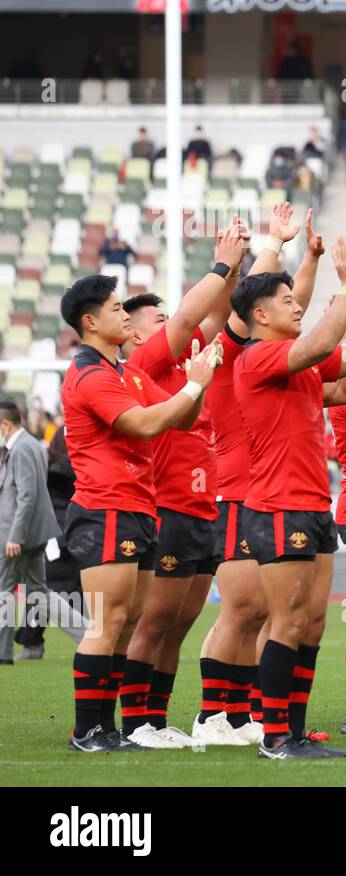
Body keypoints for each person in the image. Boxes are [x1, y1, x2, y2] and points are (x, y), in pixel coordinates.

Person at [230, 238, 346, 759]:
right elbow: (320, 346)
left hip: (313, 505)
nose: (297, 304)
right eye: (286, 299)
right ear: (259, 314)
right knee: (288, 621)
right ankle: (274, 736)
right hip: (278, 505)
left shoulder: (291, 363)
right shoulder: (258, 358)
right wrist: (343, 285)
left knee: (312, 624)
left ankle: (293, 733)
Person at [59, 274, 220, 753]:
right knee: (107, 624)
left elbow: (183, 417)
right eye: (114, 308)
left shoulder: (128, 373)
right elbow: (146, 423)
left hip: (139, 507)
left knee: (127, 625)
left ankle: (108, 729)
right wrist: (191, 387)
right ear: (89, 323)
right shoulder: (90, 374)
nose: (124, 314)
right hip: (105, 507)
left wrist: (199, 384)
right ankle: (88, 730)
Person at [192, 210, 329, 748]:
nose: (291, 307)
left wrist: (307, 259)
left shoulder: (264, 352)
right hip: (241, 492)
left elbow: (280, 304)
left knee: (276, 614)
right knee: (245, 608)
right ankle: (212, 715)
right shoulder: (228, 355)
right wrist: (270, 243)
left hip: (272, 494)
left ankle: (252, 713)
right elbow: (260, 297)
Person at [113, 221, 246, 749]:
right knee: (156, 621)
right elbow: (197, 312)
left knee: (181, 624)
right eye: (160, 320)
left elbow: (220, 314)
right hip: (166, 506)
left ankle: (156, 717)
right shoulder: (145, 363)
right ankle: (134, 723)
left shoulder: (188, 364)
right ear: (136, 334)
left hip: (201, 510)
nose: (174, 324)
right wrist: (220, 263)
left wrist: (235, 269)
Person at [0, 401, 74, 665]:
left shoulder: (21, 449)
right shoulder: (31, 445)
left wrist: (15, 536)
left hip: (20, 534)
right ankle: (87, 633)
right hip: (38, 532)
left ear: (6, 424)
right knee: (40, 593)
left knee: (5, 592)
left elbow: (26, 495)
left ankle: (4, 652)